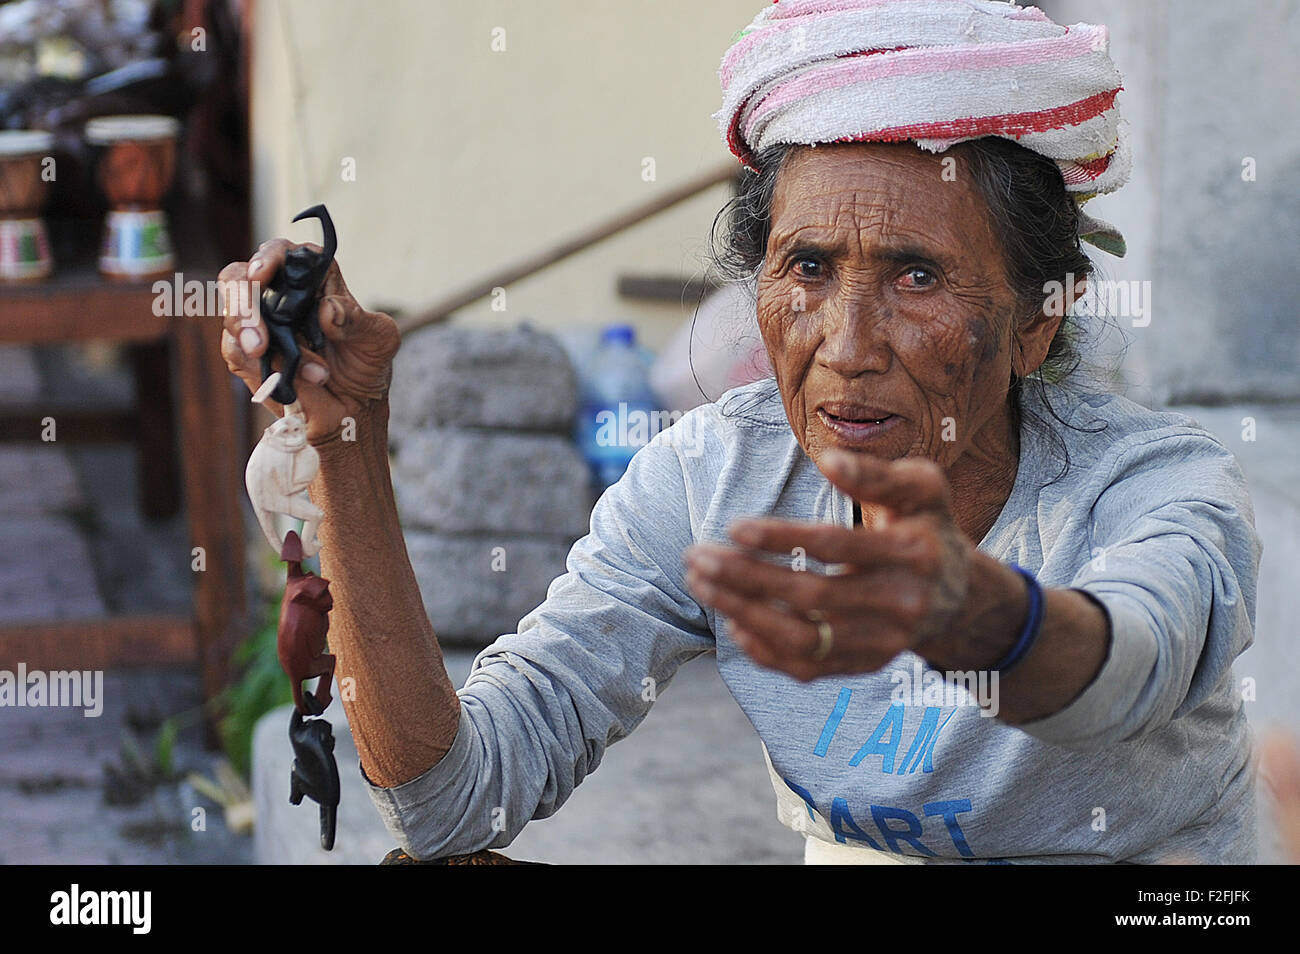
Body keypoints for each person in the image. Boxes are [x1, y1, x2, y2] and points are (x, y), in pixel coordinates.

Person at [218, 0, 1261, 863]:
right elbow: (452, 804)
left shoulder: (1157, 490)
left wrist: (978, 619)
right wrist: (348, 437)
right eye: (807, 269)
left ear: (1038, 319)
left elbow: (1131, 661)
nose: (847, 345)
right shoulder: (716, 480)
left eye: (916, 275)